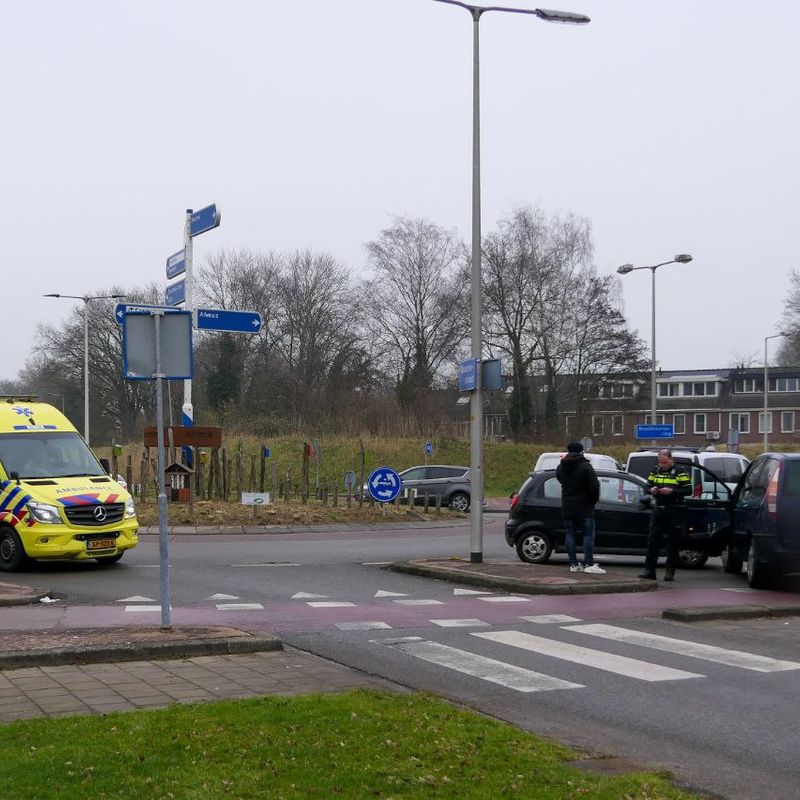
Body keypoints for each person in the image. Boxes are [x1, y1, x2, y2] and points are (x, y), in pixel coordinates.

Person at [639, 448, 691, 581]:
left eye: (665, 462)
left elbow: (688, 490)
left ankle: (669, 572)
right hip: (658, 509)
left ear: (670, 459)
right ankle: (649, 570)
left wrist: (672, 491)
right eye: (660, 462)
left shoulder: (679, 471)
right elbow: (646, 487)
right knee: (653, 541)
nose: (662, 465)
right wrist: (651, 490)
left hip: (674, 510)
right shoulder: (655, 470)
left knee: (672, 542)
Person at [556, 441, 605, 574]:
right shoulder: (585, 466)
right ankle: (589, 563)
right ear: (581, 451)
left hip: (567, 505)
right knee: (588, 535)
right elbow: (594, 486)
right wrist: (592, 501)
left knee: (569, 533)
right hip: (585, 506)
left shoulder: (561, 467)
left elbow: (560, 479)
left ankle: (573, 564)